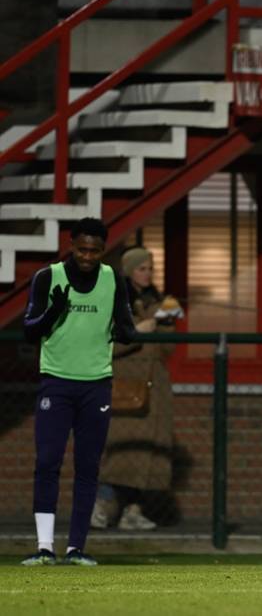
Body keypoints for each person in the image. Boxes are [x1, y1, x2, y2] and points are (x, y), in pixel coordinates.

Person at [21, 218, 136, 566]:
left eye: (95, 250)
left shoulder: (113, 279)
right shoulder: (48, 277)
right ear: (71, 245)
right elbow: (29, 331)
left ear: (103, 250)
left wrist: (126, 330)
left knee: (87, 467)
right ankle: (44, 547)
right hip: (55, 380)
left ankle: (75, 548)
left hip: (96, 384)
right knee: (47, 462)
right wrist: (52, 313)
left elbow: (127, 327)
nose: (87, 256)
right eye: (82, 249)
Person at [91, 247, 181, 532]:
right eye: (142, 268)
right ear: (129, 271)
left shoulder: (155, 300)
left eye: (151, 268)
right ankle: (101, 506)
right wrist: (140, 329)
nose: (148, 274)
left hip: (155, 387)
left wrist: (167, 321)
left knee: (151, 452)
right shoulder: (114, 301)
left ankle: (134, 509)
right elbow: (105, 345)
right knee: (120, 450)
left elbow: (167, 349)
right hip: (125, 384)